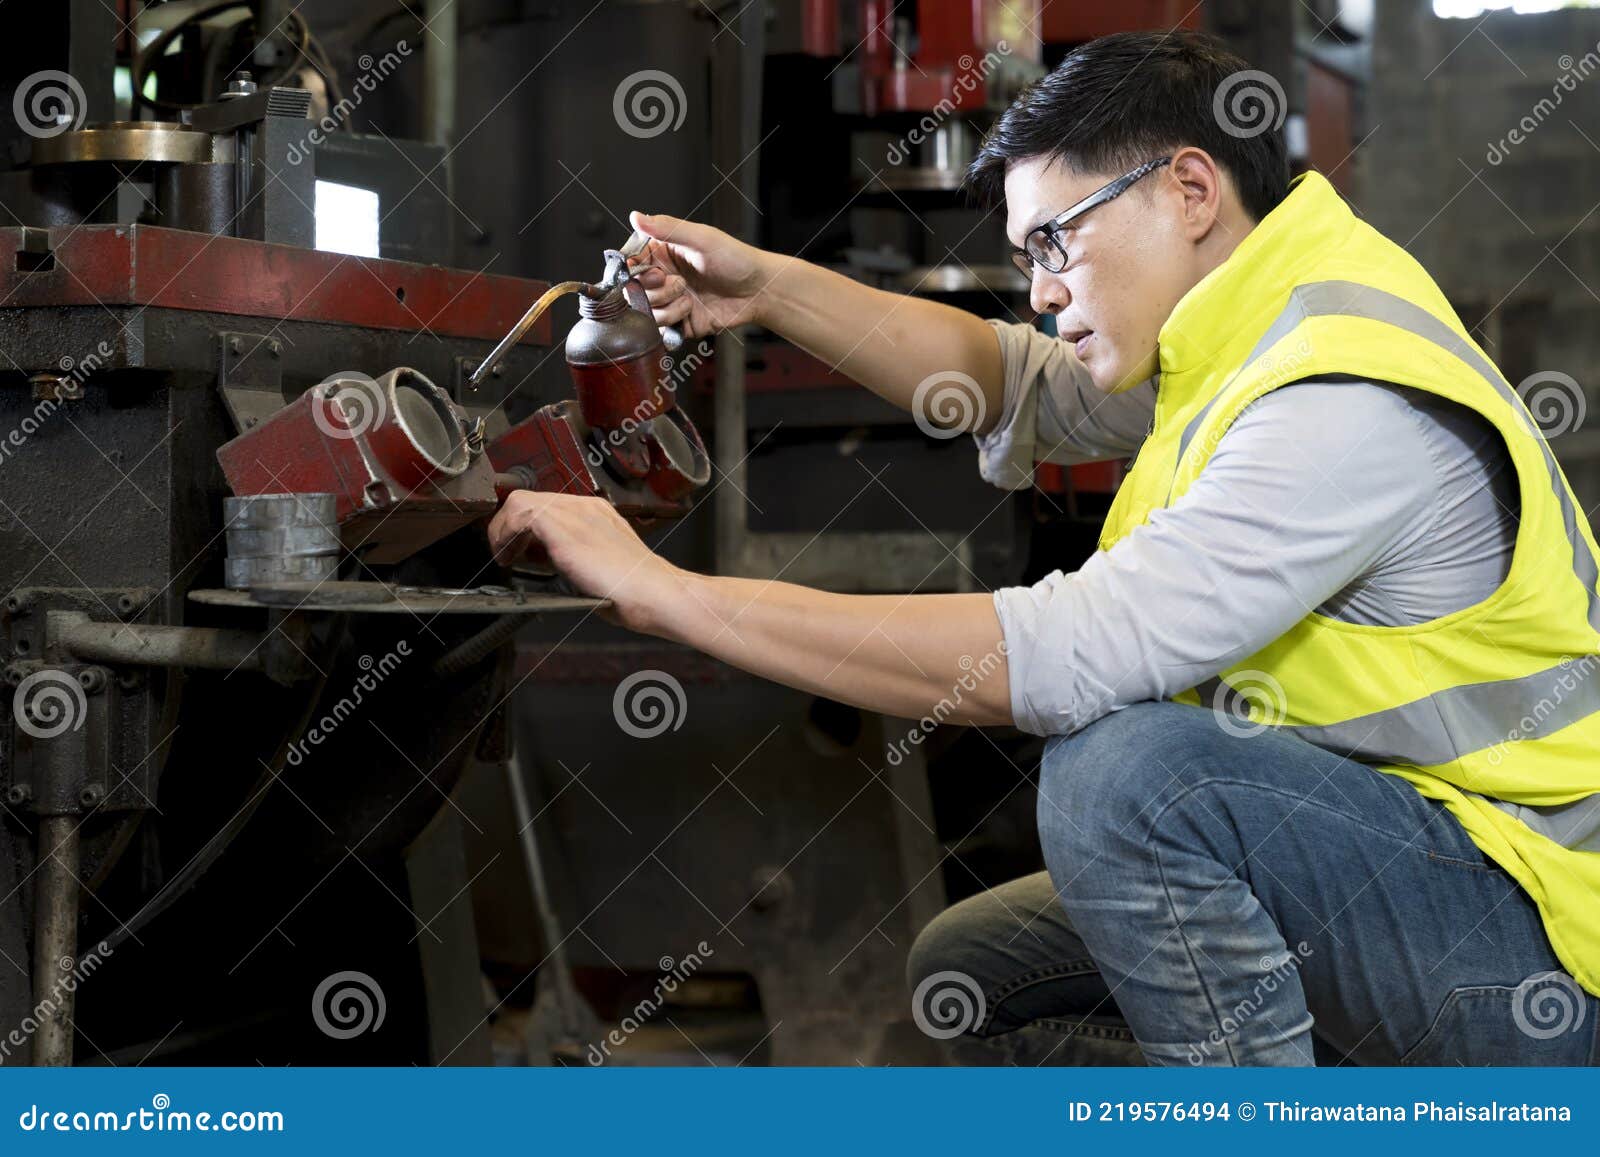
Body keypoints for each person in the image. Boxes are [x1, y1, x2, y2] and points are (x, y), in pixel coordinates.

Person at [487, 30, 1600, 1065]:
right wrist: (766, 285)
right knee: (972, 972)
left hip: (1538, 945)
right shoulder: (1249, 320)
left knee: (1125, 778)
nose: (1042, 287)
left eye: (1056, 241)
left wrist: (659, 590)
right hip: (1423, 869)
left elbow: (1067, 655)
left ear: (1189, 190)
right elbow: (1009, 379)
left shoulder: (1337, 391)